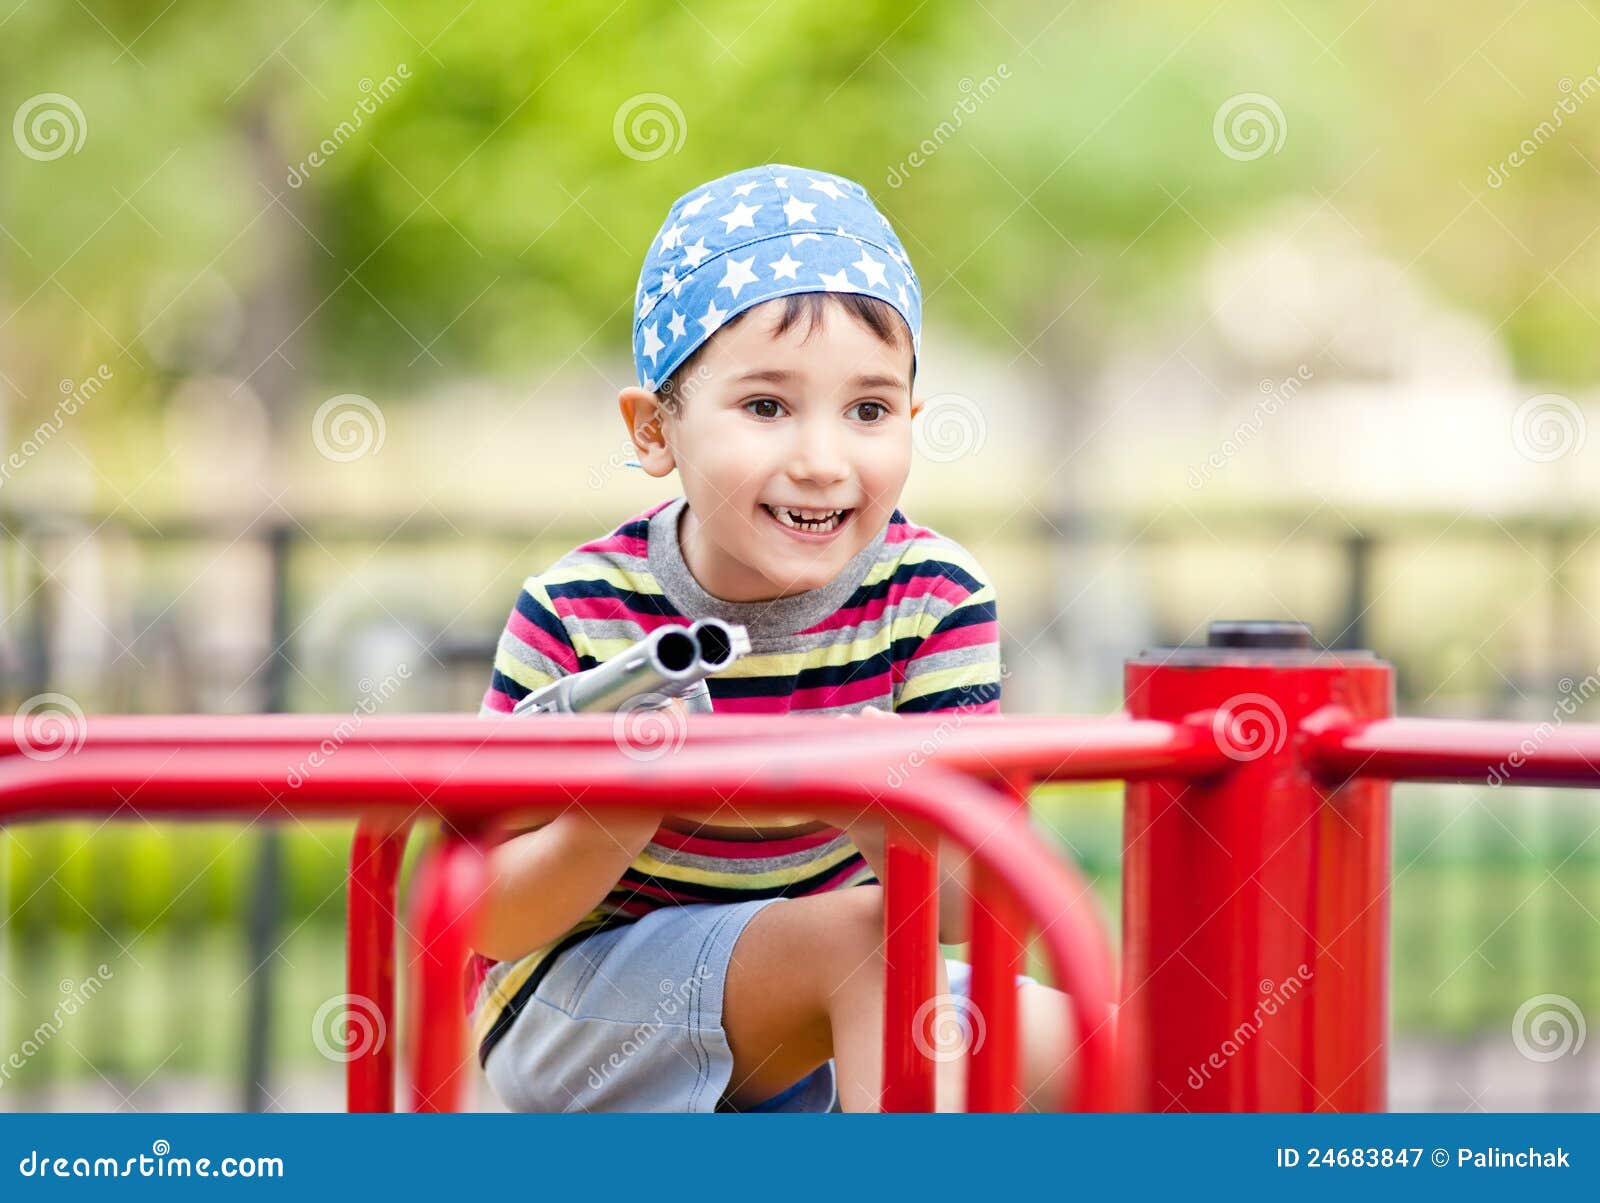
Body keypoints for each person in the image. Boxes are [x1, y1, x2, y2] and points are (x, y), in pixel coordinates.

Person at [470, 163, 1074, 1113]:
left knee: (1107, 1040)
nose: (822, 460)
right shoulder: (582, 606)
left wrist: (882, 799)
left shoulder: (934, 597)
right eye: (766, 406)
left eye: (868, 411)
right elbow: (487, 913)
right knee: (866, 943)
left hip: (842, 985)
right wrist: (611, 811)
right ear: (655, 429)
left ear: (912, 421)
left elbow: (966, 905)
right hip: (584, 1012)